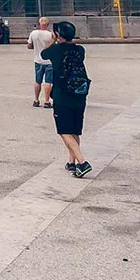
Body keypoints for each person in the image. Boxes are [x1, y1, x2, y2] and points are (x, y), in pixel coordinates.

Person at [42, 23, 91, 177]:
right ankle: (72, 162)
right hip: (79, 93)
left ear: (58, 34)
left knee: (64, 130)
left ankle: (82, 162)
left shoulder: (55, 50)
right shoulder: (80, 50)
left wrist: (53, 40)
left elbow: (43, 54)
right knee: (74, 130)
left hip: (62, 94)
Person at [28, 17, 56, 108]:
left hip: (37, 60)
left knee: (37, 81)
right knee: (48, 81)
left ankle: (36, 100)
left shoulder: (33, 33)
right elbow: (52, 48)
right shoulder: (50, 35)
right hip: (49, 61)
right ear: (48, 25)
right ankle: (47, 101)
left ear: (39, 24)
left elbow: (29, 46)